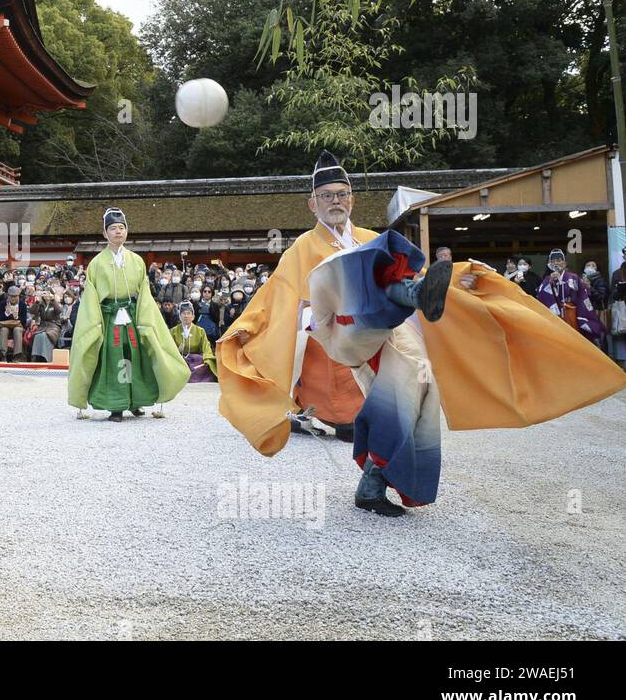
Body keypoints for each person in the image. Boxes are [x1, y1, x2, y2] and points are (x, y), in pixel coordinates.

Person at [218, 150, 626, 517]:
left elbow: (416, 270)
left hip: (384, 329)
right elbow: (277, 301)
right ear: (312, 204)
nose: (336, 201)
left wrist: (457, 283)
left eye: (342, 193)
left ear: (353, 199)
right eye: (327, 196)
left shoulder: (368, 238)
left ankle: (373, 484)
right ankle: (408, 294)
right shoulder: (301, 249)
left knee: (415, 384)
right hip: (339, 328)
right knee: (357, 273)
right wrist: (244, 332)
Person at [67, 207, 187, 421]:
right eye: (112, 228)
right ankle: (116, 404)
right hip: (109, 315)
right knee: (114, 357)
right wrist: (95, 324)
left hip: (132, 314)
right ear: (105, 233)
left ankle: (136, 401)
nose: (118, 232)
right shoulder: (96, 263)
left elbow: (144, 295)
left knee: (136, 355)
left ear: (127, 231)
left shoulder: (137, 261)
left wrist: (146, 321)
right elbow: (91, 298)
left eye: (121, 228)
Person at [537, 249, 607, 345]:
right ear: (549, 264)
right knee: (557, 341)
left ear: (565, 263)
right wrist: (551, 283)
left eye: (559, 260)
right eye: (553, 261)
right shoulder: (547, 279)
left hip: (571, 313)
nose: (556, 263)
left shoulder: (573, 277)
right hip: (554, 315)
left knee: (574, 339)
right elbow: (541, 295)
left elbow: (583, 295)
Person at [171, 300, 217, 383]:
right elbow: (169, 349)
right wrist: (177, 350)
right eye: (183, 313)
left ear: (193, 316)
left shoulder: (200, 331)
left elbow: (206, 347)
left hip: (195, 360)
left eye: (188, 313)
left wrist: (207, 360)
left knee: (202, 362)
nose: (186, 316)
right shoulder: (173, 331)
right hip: (179, 358)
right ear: (180, 316)